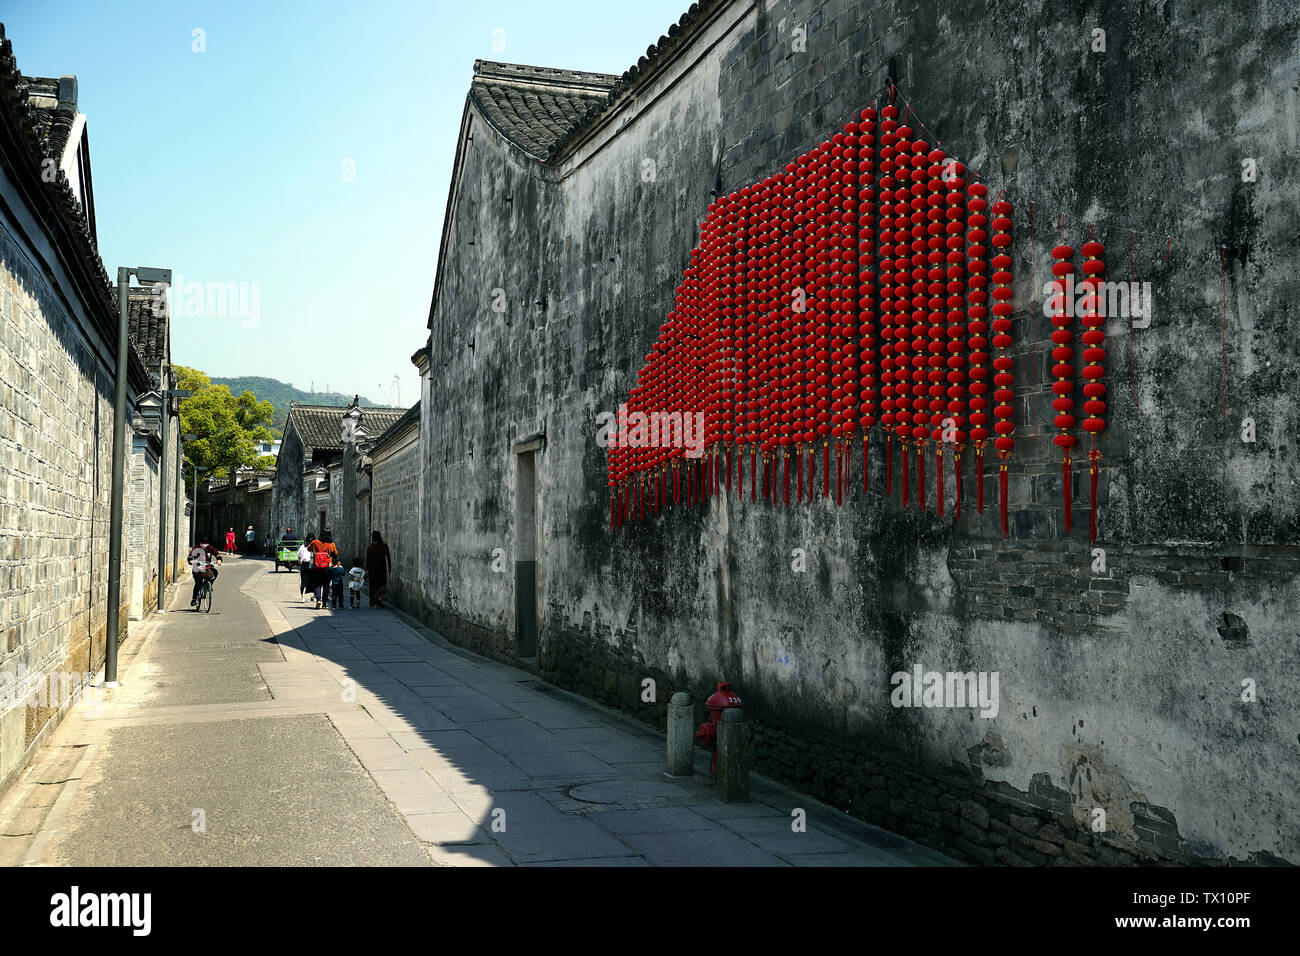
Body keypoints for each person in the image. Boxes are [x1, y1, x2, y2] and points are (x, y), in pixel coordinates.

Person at [188, 536, 222, 608]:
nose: (204, 545)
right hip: (197, 568)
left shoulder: (210, 548)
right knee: (198, 583)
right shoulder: (196, 548)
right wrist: (192, 561)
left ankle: (208, 585)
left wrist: (219, 560)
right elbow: (190, 557)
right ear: (200, 543)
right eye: (203, 543)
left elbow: (217, 554)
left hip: (207, 566)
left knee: (215, 572)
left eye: (206, 543)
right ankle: (194, 598)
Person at [309, 532, 339, 609]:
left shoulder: (314, 542)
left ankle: (318, 600)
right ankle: (325, 604)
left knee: (317, 584)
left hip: (317, 567)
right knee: (326, 585)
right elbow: (335, 554)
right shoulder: (331, 544)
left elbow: (309, 549)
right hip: (327, 567)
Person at [366, 531, 392, 608]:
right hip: (382, 567)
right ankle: (378, 598)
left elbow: (368, 558)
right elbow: (388, 557)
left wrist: (367, 568)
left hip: (372, 567)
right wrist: (389, 567)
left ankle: (373, 601)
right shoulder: (384, 545)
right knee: (382, 583)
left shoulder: (370, 546)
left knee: (372, 585)